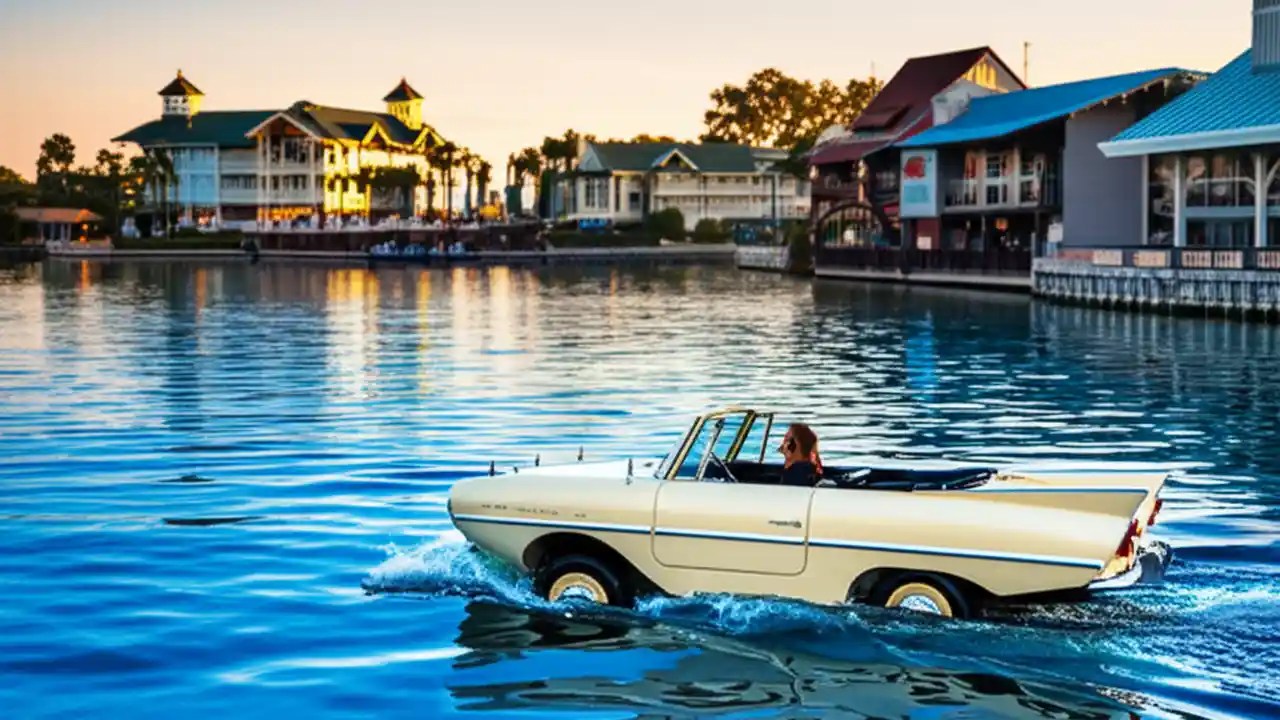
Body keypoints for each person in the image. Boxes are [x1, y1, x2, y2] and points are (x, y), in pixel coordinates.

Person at [778, 423, 823, 487]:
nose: (782, 444)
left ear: (797, 445)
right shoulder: (809, 468)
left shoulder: (795, 473)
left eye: (787, 439)